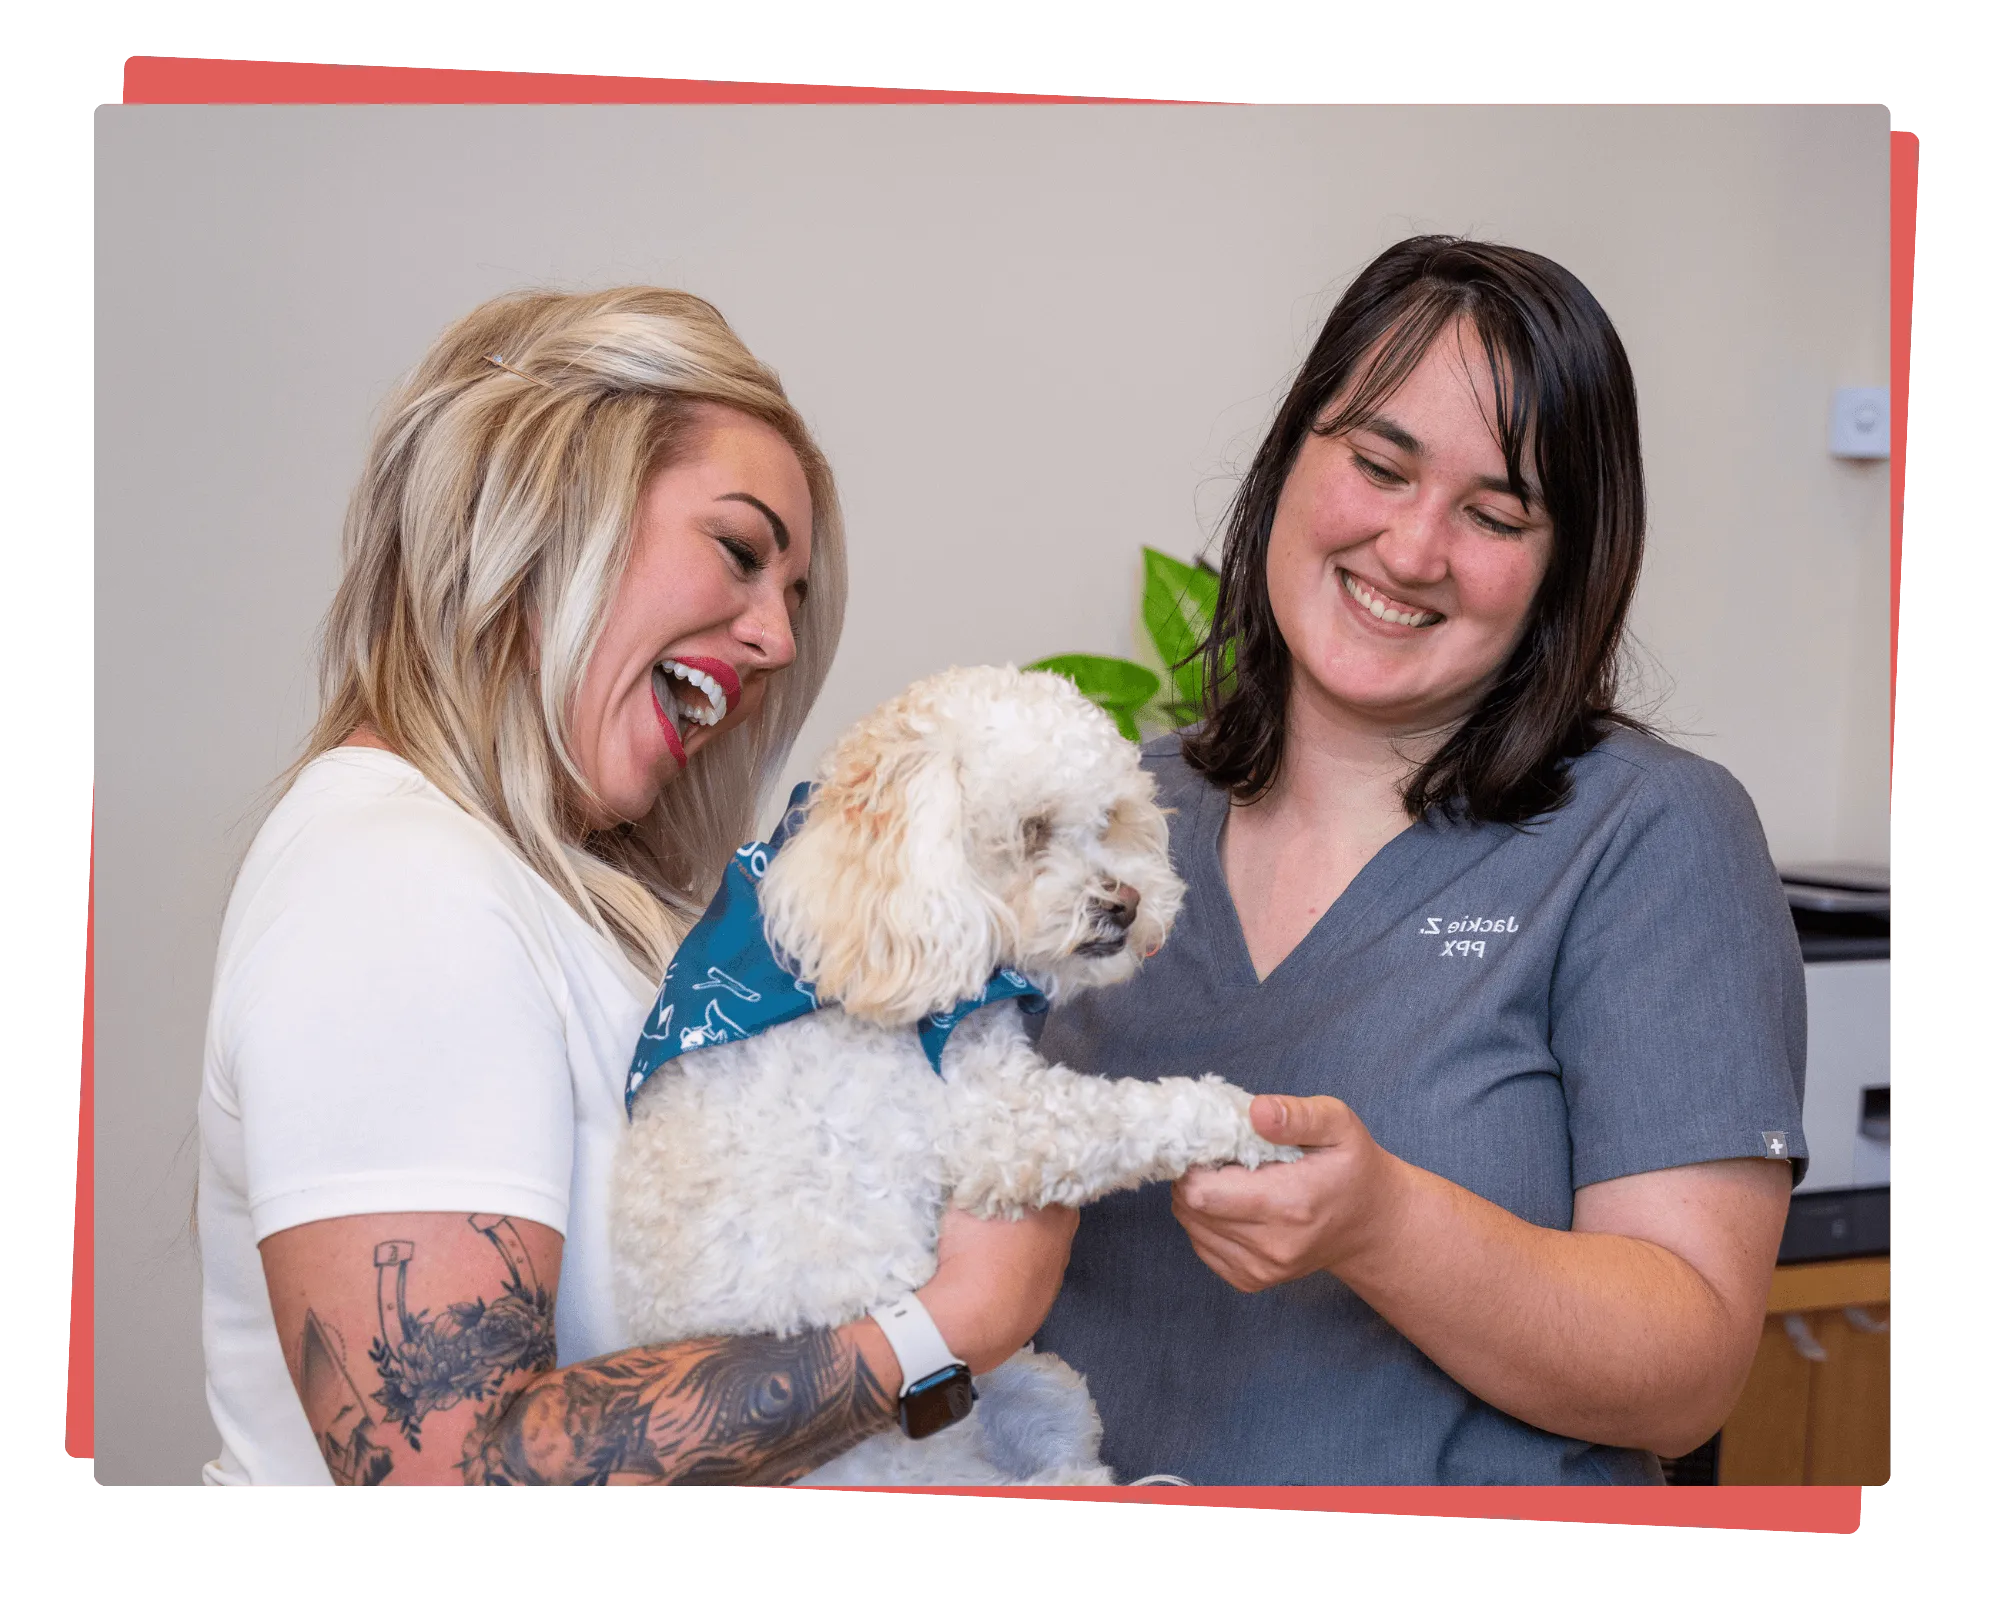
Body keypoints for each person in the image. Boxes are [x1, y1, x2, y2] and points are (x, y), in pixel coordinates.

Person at [196, 287, 1077, 1487]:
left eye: (793, 597)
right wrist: (945, 1322)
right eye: (737, 550)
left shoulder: (517, 887)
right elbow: (450, 1468)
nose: (773, 640)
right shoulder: (393, 882)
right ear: (549, 504)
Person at [1032, 237, 1807, 1485]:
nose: (1409, 549)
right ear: (1289, 459)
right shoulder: (1110, 810)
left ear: (1561, 571)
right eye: (1377, 466)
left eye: (1495, 515)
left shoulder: (1648, 837)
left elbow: (1689, 1370)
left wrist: (1385, 1226)